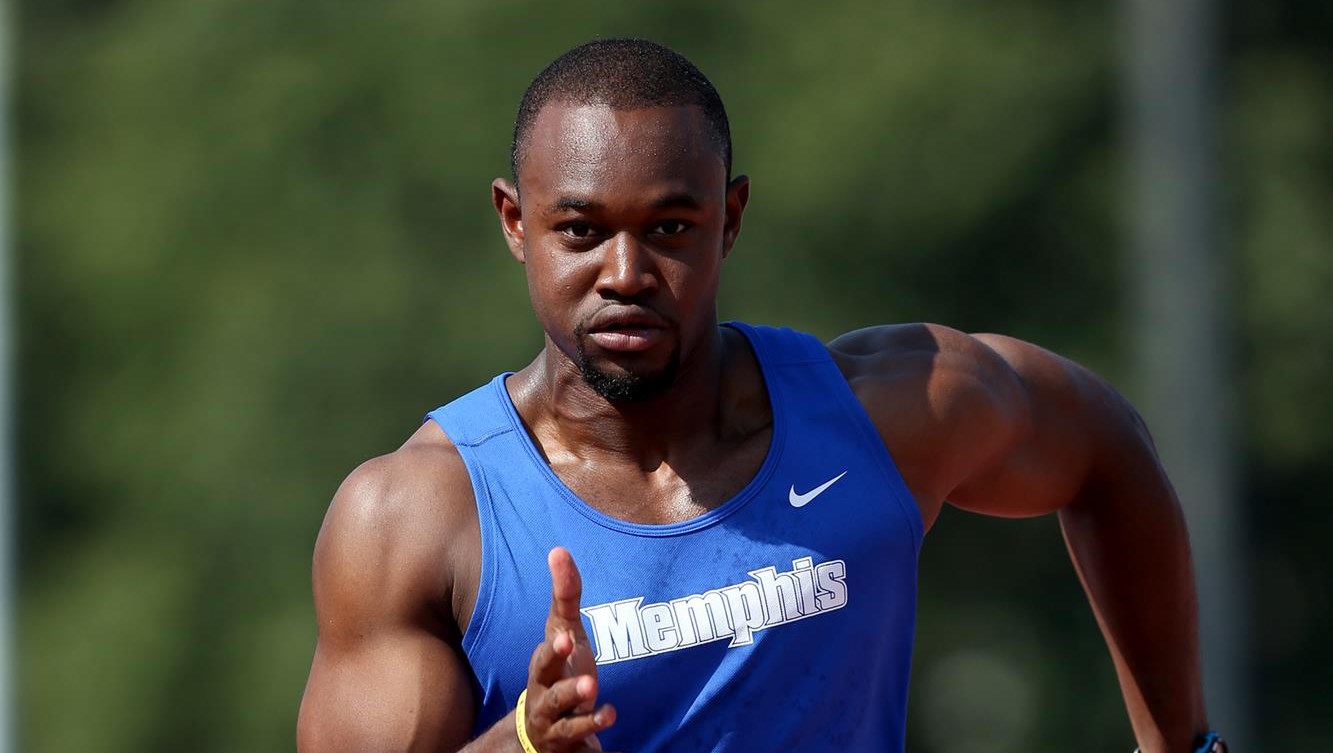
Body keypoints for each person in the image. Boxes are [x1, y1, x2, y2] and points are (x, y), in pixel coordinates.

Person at [296, 38, 1225, 753]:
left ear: (729, 219)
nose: (625, 272)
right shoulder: (413, 520)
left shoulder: (887, 417)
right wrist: (527, 736)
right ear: (515, 222)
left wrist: (1180, 743)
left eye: (670, 226)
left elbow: (1106, 448)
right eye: (579, 229)